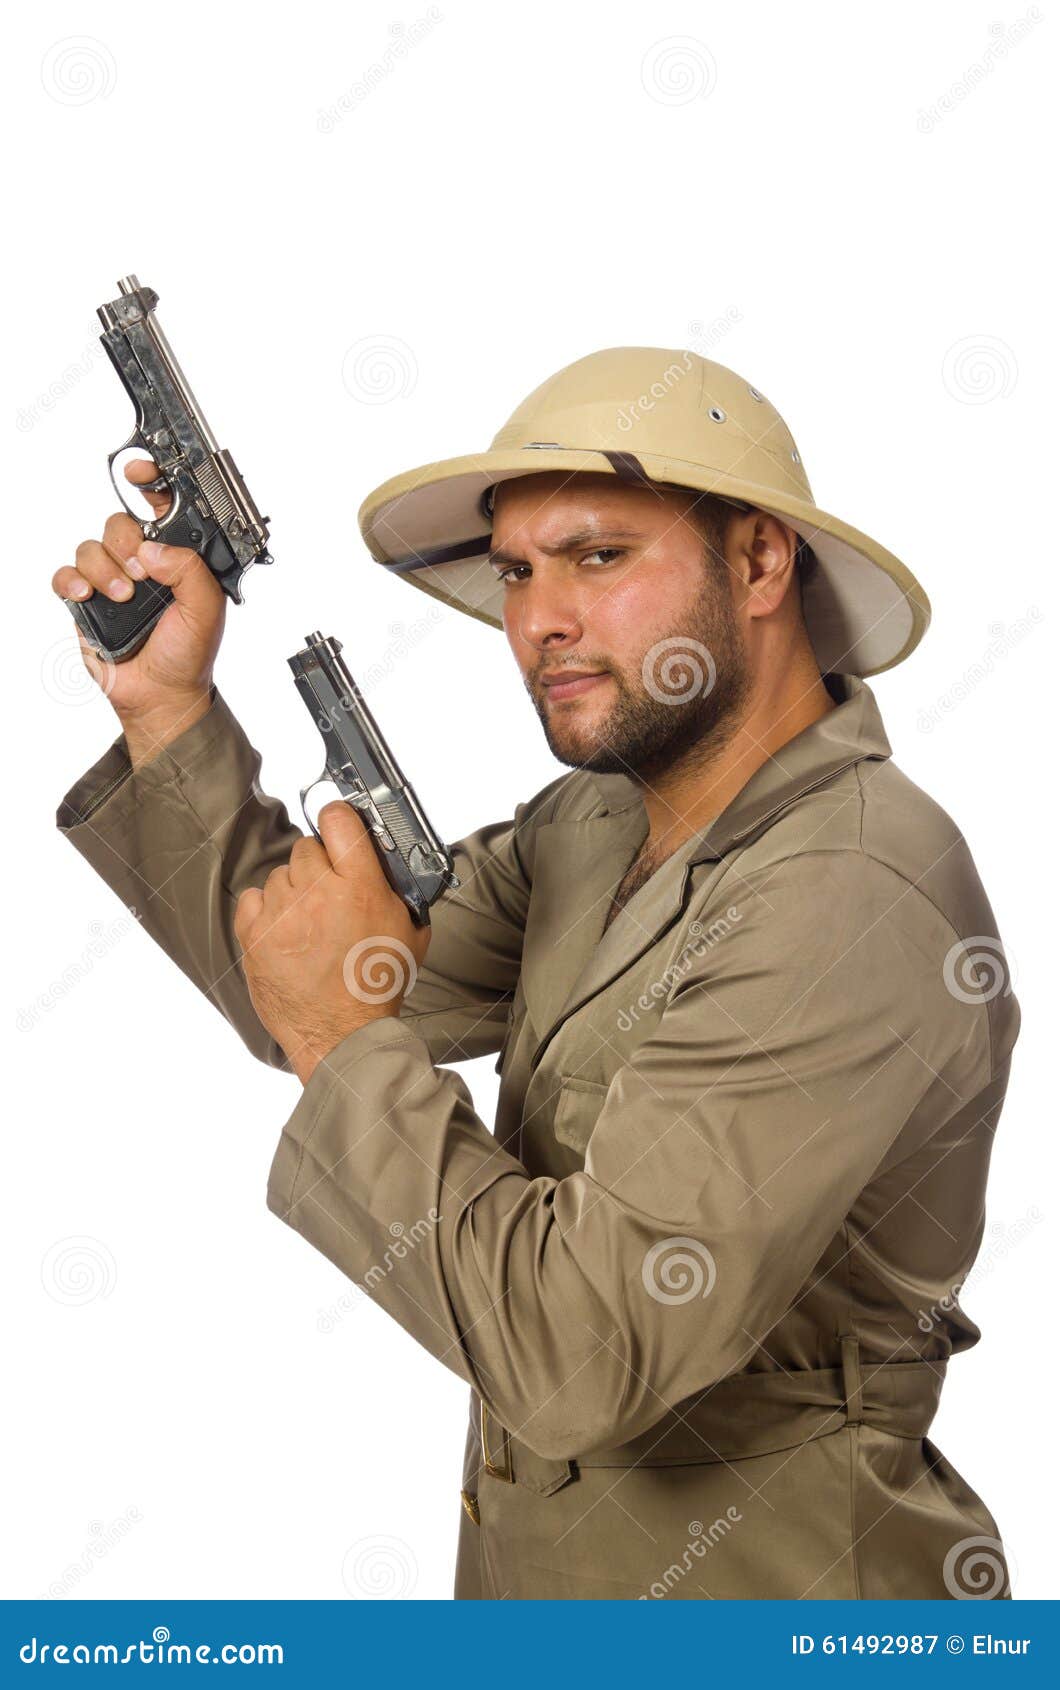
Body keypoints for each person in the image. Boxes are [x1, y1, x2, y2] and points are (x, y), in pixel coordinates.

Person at [54, 348, 1020, 1600]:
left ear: (759, 563)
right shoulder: (592, 828)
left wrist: (346, 1045)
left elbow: (579, 1352)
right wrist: (167, 710)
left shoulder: (853, 884)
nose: (537, 619)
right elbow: (300, 977)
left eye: (600, 556)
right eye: (515, 570)